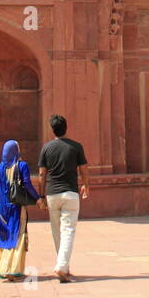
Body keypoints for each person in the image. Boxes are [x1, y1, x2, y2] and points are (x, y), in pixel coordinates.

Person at [36, 114, 89, 282]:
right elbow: (83, 169)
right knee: (68, 231)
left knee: (57, 232)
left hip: (52, 194)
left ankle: (63, 266)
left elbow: (41, 174)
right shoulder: (76, 147)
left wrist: (41, 195)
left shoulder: (46, 148)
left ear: (53, 130)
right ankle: (61, 267)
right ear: (66, 128)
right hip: (70, 193)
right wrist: (86, 185)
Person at [0, 140, 39, 281]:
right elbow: (26, 184)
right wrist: (38, 198)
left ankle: (1, 270)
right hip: (16, 207)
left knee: (4, 236)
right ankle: (13, 270)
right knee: (18, 235)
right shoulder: (21, 166)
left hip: (1, 210)